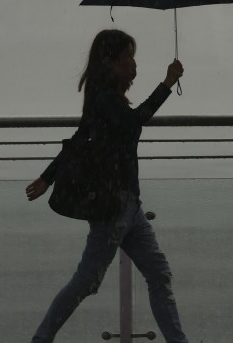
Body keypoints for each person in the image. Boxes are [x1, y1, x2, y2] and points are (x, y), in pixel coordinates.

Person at [25, 28, 188, 343]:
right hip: (113, 207)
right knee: (87, 281)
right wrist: (167, 84)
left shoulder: (107, 98)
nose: (133, 64)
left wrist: (48, 177)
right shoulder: (103, 99)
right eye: (127, 57)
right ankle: (41, 338)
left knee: (158, 274)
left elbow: (78, 141)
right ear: (109, 61)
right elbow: (132, 122)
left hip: (130, 206)